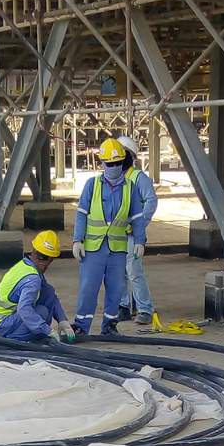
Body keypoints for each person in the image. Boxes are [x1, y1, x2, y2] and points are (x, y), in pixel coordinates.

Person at [71, 138, 144, 337]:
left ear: (123, 163)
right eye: (109, 164)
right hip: (93, 248)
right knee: (88, 288)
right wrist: (77, 240)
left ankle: (110, 324)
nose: (113, 167)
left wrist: (140, 241)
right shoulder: (92, 185)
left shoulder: (131, 188)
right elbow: (81, 213)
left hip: (117, 250)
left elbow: (138, 217)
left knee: (116, 289)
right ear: (102, 163)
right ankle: (81, 325)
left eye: (117, 163)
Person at [0, 230, 73, 341]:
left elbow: (50, 296)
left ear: (34, 250)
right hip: (3, 324)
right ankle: (16, 339)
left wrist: (62, 321)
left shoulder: (26, 266)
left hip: (7, 319)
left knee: (48, 291)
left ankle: (31, 333)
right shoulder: (32, 280)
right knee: (41, 312)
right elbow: (24, 309)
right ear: (50, 260)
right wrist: (46, 330)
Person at [113, 134, 159, 325]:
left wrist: (139, 224)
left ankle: (145, 309)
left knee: (134, 272)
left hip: (133, 235)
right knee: (119, 272)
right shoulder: (115, 178)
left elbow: (151, 200)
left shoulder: (139, 178)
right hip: (117, 234)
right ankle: (123, 307)